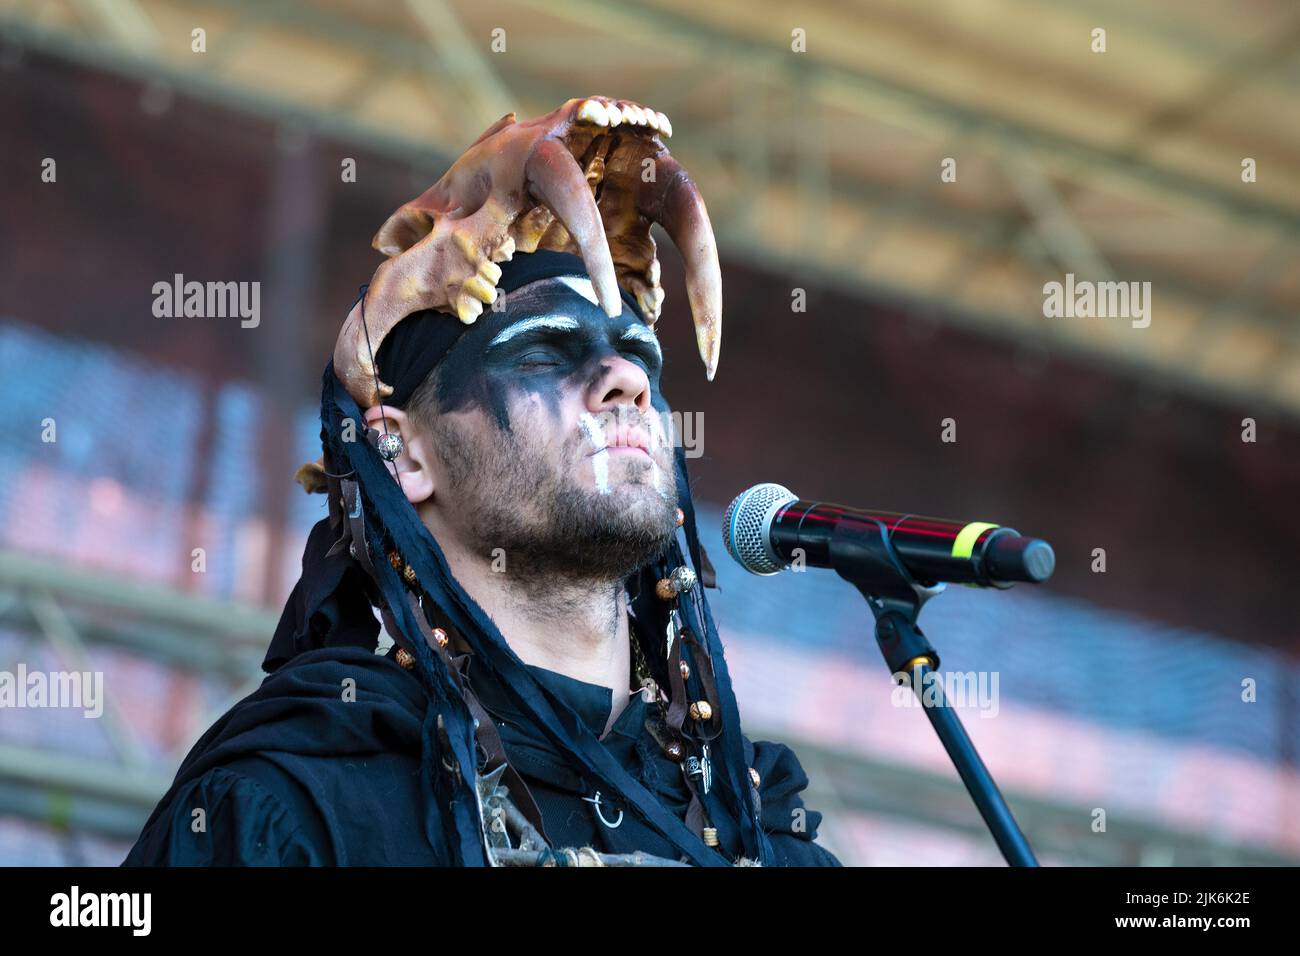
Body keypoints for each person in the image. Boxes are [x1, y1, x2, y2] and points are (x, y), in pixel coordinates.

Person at [124, 96, 840, 867]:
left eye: (642, 359)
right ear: (406, 455)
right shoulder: (296, 806)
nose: (626, 380)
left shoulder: (764, 842)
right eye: (541, 355)